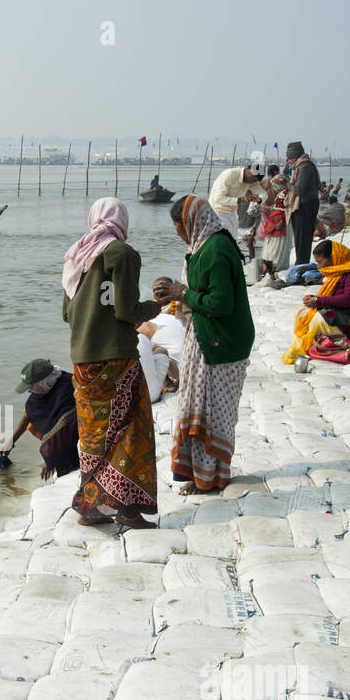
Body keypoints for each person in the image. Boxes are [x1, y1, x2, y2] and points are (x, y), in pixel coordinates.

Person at [60, 197, 161, 528]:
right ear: (121, 221)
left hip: (82, 362)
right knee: (132, 429)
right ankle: (128, 511)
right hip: (116, 357)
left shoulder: (77, 254)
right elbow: (126, 311)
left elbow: (67, 313)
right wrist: (154, 308)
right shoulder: (121, 253)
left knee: (94, 435)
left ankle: (92, 508)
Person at [153, 196, 255, 496]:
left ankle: (210, 477)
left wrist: (183, 294)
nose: (179, 235)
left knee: (213, 412)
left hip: (222, 342)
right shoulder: (202, 247)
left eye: (180, 229)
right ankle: (200, 474)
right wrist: (175, 290)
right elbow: (200, 290)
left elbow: (221, 302)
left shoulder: (216, 250)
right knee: (198, 406)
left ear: (191, 223)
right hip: (209, 336)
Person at [283, 239, 350, 362]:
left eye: (320, 262)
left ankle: (305, 345)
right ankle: (304, 342)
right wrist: (314, 298)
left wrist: (319, 300)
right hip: (341, 314)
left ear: (332, 258)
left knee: (318, 319)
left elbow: (348, 300)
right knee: (302, 311)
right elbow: (333, 296)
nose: (319, 266)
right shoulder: (336, 273)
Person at [0, 359, 80, 480]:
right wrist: (11, 441)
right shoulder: (36, 399)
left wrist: (51, 460)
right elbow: (27, 417)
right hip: (58, 448)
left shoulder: (70, 387)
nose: (29, 391)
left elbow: (68, 429)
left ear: (45, 383)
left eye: (32, 387)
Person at [209, 163, 268, 254]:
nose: (253, 181)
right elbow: (218, 199)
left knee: (233, 241)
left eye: (256, 180)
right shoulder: (230, 175)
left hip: (232, 212)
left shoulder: (252, 181)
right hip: (218, 211)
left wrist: (259, 199)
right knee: (222, 242)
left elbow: (264, 194)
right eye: (253, 178)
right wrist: (240, 200)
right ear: (248, 170)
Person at [286, 142, 320, 267]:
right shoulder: (300, 166)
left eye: (289, 158)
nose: (288, 161)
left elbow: (299, 189)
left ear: (295, 156)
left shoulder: (304, 167)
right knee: (299, 236)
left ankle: (302, 263)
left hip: (306, 205)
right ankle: (300, 262)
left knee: (303, 237)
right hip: (302, 205)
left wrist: (286, 183)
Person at [258, 165, 293, 275]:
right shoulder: (282, 193)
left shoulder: (286, 193)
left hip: (280, 219)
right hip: (275, 218)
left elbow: (288, 208)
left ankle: (273, 264)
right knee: (273, 243)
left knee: (277, 244)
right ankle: (269, 264)